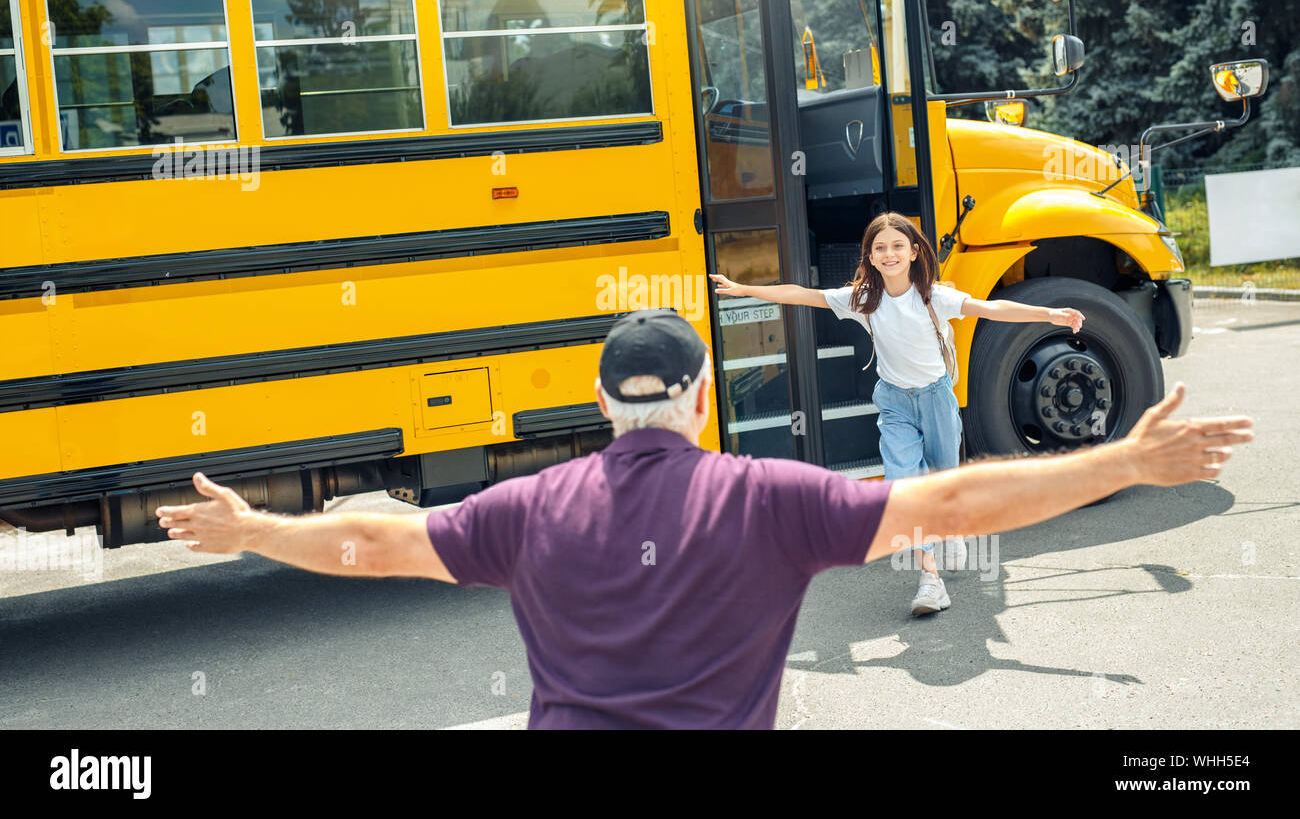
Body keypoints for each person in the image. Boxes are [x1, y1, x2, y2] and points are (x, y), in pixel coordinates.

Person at [155, 310, 1251, 730]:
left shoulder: (527, 507)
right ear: (699, 399)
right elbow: (952, 500)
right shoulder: (767, 499)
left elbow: (377, 541)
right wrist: (1124, 460)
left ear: (597, 402)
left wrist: (253, 528)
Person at [709, 212, 1087, 616]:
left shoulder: (933, 298)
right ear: (870, 257)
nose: (888, 254)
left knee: (944, 478)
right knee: (905, 488)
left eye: (896, 246)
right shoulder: (863, 299)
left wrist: (1049, 315)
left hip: (936, 398)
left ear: (913, 252)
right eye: (880, 248)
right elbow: (805, 295)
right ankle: (931, 581)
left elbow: (991, 308)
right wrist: (743, 288)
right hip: (893, 402)